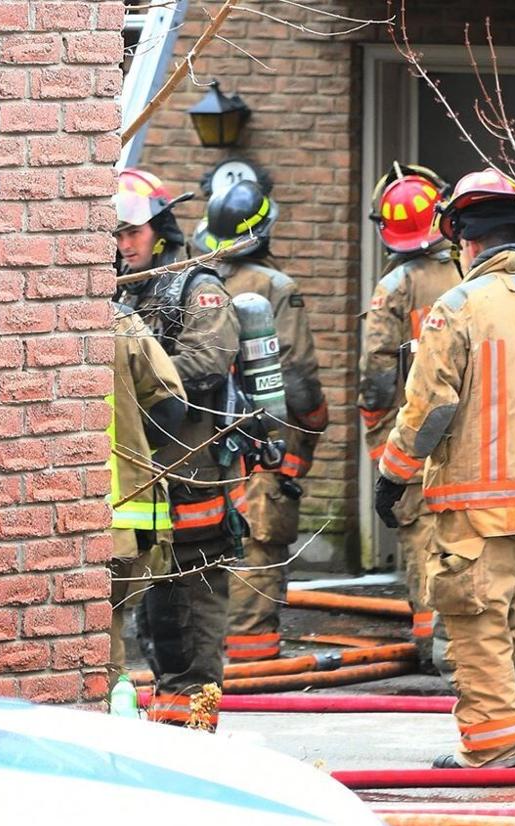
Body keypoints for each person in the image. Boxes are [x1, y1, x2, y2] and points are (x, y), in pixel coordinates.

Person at [373, 168, 515, 769]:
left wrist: (394, 475)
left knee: (476, 618)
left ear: (466, 238)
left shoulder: (458, 307)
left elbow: (429, 408)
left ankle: (490, 748)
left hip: (475, 505)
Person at [114, 168, 242, 731]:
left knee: (192, 606)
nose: (121, 246)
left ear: (161, 231)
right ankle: (174, 729)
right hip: (142, 476)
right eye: (112, 234)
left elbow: (208, 361)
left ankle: (197, 727)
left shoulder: (197, 287)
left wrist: (141, 376)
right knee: (157, 613)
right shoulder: (118, 293)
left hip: (191, 474)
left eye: (131, 233)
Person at [195, 181, 330, 664]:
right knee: (259, 545)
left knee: (206, 545)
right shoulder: (276, 288)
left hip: (202, 446)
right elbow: (296, 376)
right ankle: (254, 668)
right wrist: (316, 424)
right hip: (263, 445)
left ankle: (209, 663)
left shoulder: (192, 280)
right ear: (266, 231)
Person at [359, 164, 463, 672]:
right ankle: (454, 643)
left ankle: (433, 649)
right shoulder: (469, 272)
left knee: (420, 536)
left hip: (413, 430)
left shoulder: (394, 285)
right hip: (464, 429)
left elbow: (377, 372)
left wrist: (381, 449)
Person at [106, 302, 186, 689]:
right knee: (104, 640)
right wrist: (136, 450)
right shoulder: (119, 323)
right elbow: (170, 406)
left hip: (34, 523)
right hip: (123, 520)